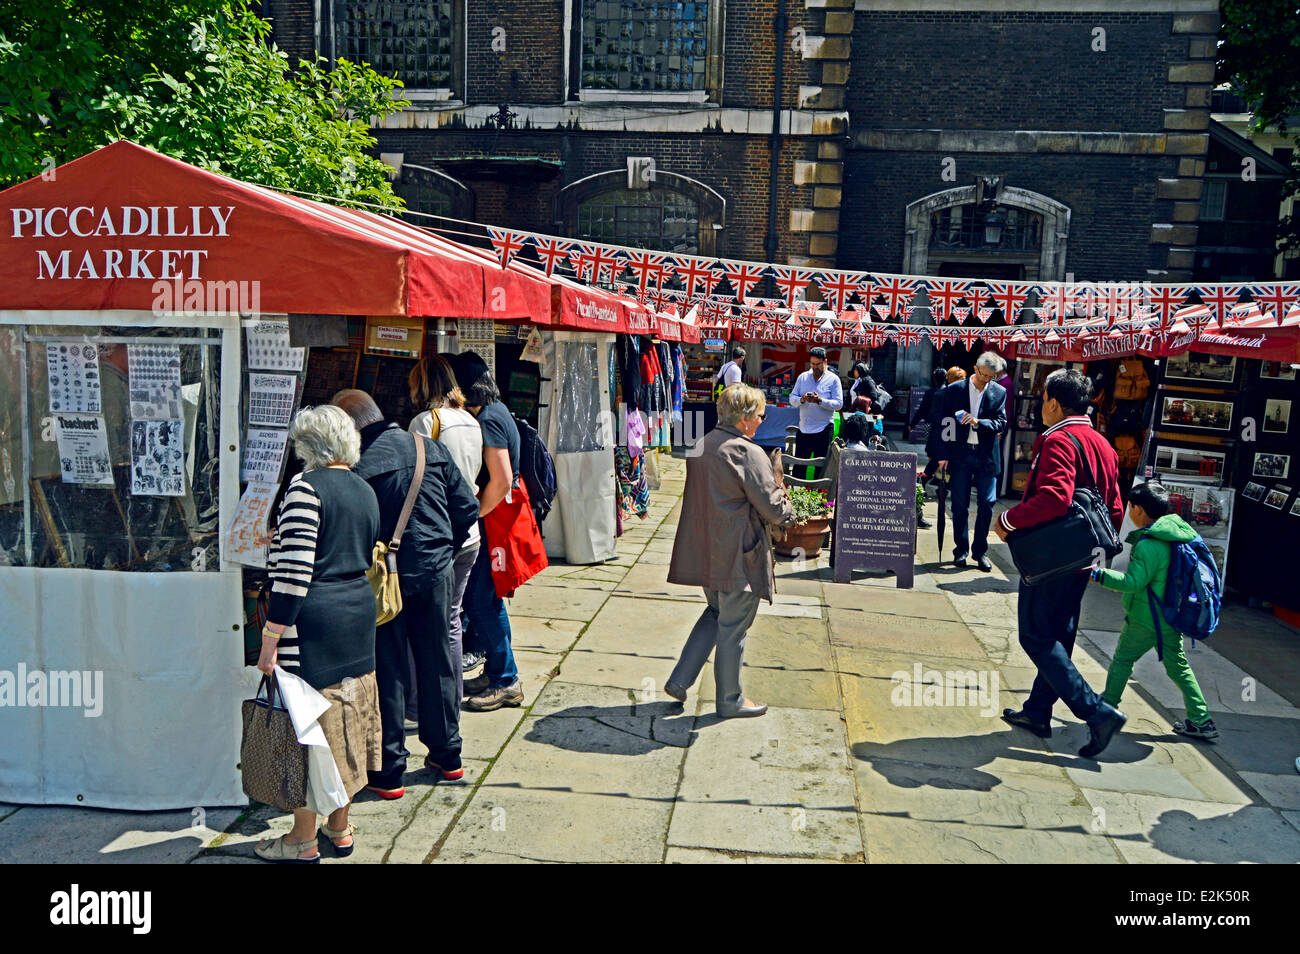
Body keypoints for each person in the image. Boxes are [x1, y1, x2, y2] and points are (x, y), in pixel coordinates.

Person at [332, 389, 480, 796]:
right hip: (434, 572)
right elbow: (467, 507)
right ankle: (448, 755)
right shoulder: (427, 447)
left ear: (352, 428)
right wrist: (439, 550)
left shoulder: (357, 466)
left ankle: (390, 770)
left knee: (388, 668)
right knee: (437, 661)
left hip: (383, 580)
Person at [255, 405, 382, 863]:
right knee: (348, 719)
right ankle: (340, 828)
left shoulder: (305, 489)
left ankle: (301, 839)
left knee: (310, 728)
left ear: (307, 446)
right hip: (357, 616)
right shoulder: (365, 490)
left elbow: (293, 579)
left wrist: (269, 643)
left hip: (314, 623)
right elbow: (347, 548)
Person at [995, 368, 1128, 759]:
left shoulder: (1057, 439)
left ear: (1054, 402)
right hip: (1082, 557)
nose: (1041, 407)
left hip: (1051, 558)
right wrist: (1094, 554)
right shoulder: (1103, 444)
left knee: (1036, 636)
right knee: (1059, 636)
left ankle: (1095, 711)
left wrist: (1008, 520)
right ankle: (1038, 711)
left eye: (1043, 400)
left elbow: (1054, 496)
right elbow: (1115, 509)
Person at [665, 384, 797, 718]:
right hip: (739, 552)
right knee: (733, 625)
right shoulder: (746, 452)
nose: (763, 419)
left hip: (707, 548)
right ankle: (729, 700)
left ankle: (680, 680)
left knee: (716, 613)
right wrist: (790, 512)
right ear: (745, 419)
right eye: (760, 415)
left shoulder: (701, 443)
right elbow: (772, 507)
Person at [1089, 481, 1217, 741]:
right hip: (1173, 615)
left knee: (1123, 661)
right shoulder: (1178, 531)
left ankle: (1105, 710)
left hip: (1146, 618)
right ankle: (1201, 720)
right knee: (1178, 666)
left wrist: (1098, 574)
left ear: (1138, 509)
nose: (1128, 512)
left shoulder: (1149, 544)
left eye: (1130, 507)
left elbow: (1133, 583)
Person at [451, 351, 526, 713]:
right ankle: (499, 671)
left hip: (491, 524)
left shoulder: (490, 419)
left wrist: (475, 514)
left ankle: (506, 681)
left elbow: (503, 478)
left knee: (483, 602)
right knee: (487, 601)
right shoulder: (497, 412)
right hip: (494, 522)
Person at [409, 355, 484, 699]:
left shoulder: (425, 423)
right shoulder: (471, 421)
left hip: (438, 534)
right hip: (469, 534)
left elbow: (415, 479)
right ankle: (450, 697)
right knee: (452, 618)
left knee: (425, 620)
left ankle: (422, 698)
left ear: (423, 385)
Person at [936, 351, 1007, 571]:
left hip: (986, 455)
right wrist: (942, 454)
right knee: (959, 505)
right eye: (984, 375)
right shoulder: (953, 390)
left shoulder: (999, 392)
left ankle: (980, 551)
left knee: (987, 503)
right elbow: (944, 422)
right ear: (975, 369)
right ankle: (961, 550)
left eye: (991, 377)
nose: (987, 380)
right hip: (961, 453)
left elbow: (1001, 423)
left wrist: (979, 422)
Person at [789, 347, 844, 471]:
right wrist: (802, 399)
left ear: (825, 361)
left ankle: (818, 490)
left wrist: (820, 401)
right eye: (812, 364)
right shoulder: (803, 377)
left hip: (823, 429)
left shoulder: (833, 379)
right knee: (799, 467)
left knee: (820, 469)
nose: (814, 367)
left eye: (818, 364)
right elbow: (792, 398)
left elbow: (839, 404)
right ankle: (798, 490)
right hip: (804, 429)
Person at [911, 367, 950, 490]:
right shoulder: (947, 392)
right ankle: (935, 479)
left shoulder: (931, 392)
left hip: (933, 425)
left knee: (934, 455)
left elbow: (922, 409)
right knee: (937, 455)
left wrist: (913, 423)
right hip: (946, 427)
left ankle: (934, 479)